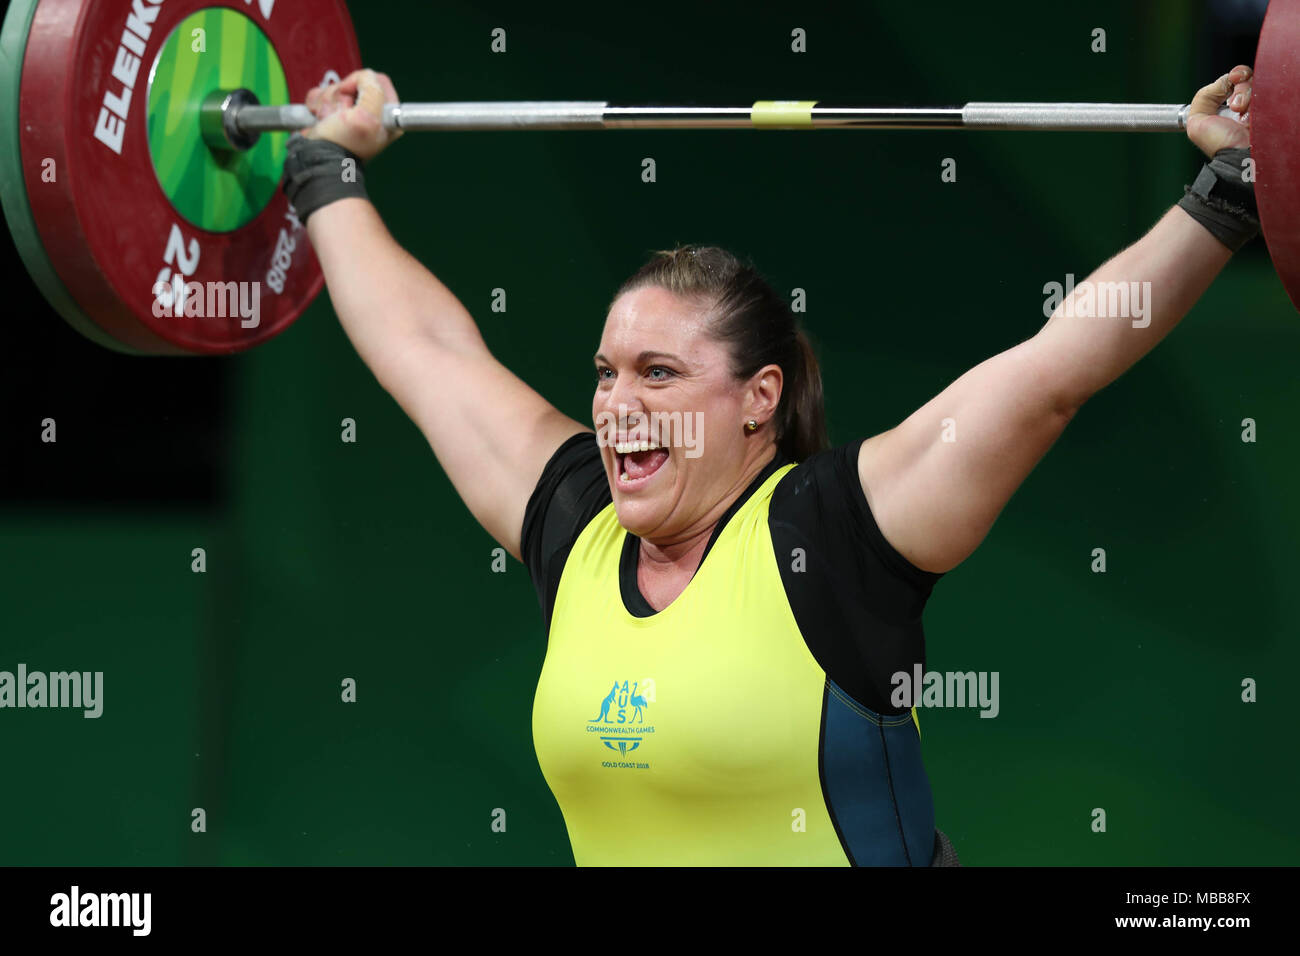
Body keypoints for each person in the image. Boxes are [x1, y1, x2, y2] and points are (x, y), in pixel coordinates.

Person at [281, 64, 1258, 865]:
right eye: (607, 372)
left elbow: (1051, 371)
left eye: (658, 372)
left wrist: (1228, 189)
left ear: (760, 398)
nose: (617, 403)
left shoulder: (833, 533)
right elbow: (424, 351)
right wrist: (325, 168)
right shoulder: (575, 521)